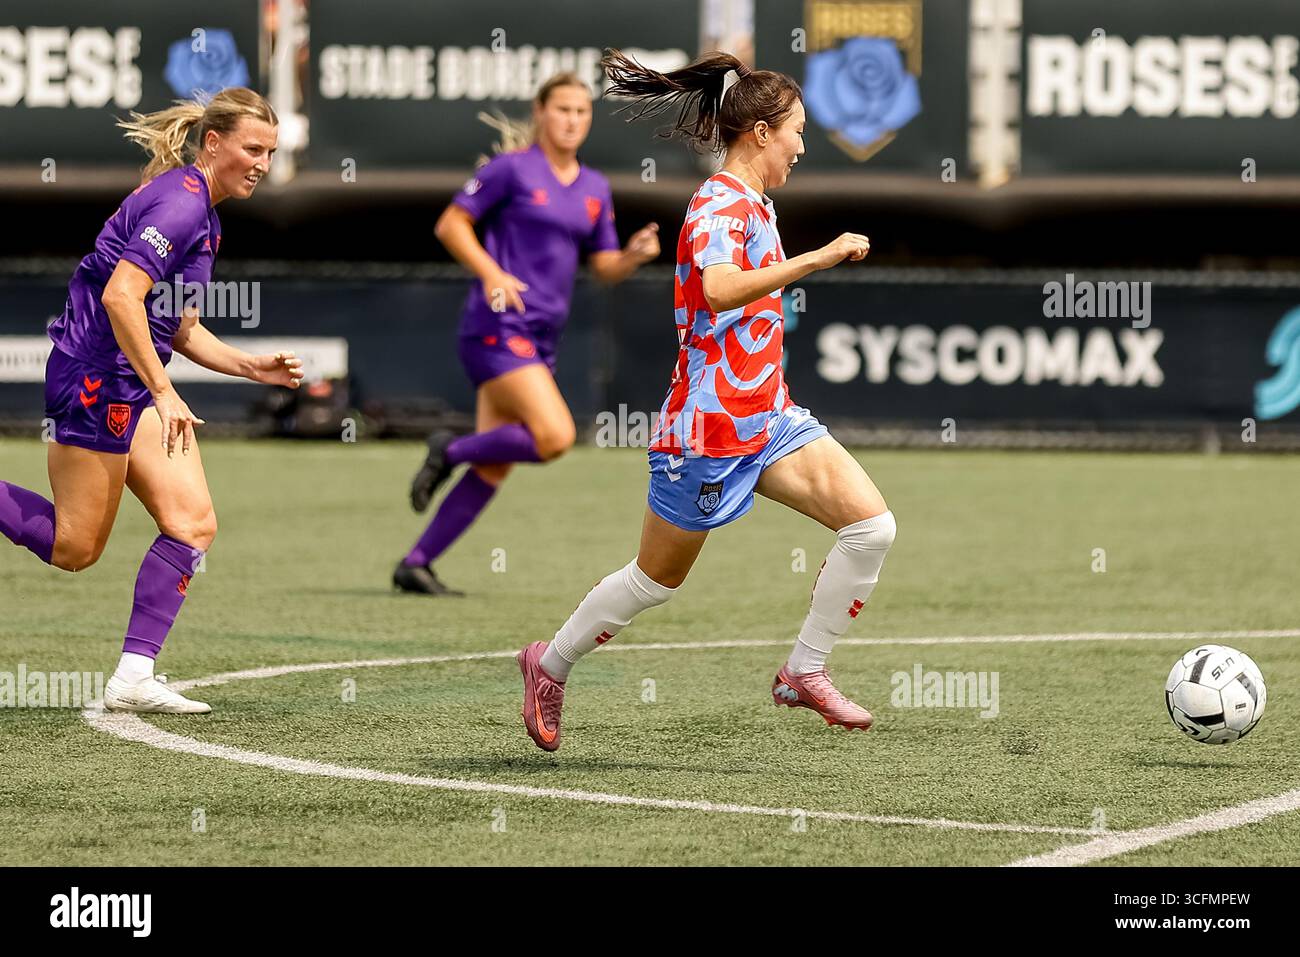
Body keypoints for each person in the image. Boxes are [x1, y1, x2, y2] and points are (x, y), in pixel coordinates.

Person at [516, 50, 895, 752]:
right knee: (655, 580)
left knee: (872, 527)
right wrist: (819, 257)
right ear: (760, 133)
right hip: (707, 428)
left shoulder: (756, 202)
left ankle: (803, 671)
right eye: (797, 131)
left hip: (768, 417)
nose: (802, 145)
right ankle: (551, 662)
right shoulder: (719, 202)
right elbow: (718, 289)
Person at [0, 88, 304, 714]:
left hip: (129, 380)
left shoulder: (206, 215)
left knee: (192, 524)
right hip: (96, 379)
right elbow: (120, 297)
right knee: (74, 548)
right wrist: (163, 392)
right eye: (252, 149)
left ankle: (134, 677)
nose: (262, 164)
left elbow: (180, 328)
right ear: (213, 142)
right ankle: (134, 676)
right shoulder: (182, 205)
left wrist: (252, 366)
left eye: (270, 153)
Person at [395, 72, 660, 595]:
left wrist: (631, 256)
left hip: (541, 337)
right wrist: (492, 272)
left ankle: (416, 562)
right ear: (540, 112)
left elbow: (603, 266)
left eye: (582, 112)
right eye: (562, 109)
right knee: (555, 436)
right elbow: (451, 224)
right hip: (496, 324)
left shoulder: (594, 187)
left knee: (494, 465)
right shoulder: (511, 170)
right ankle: (447, 450)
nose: (572, 121)